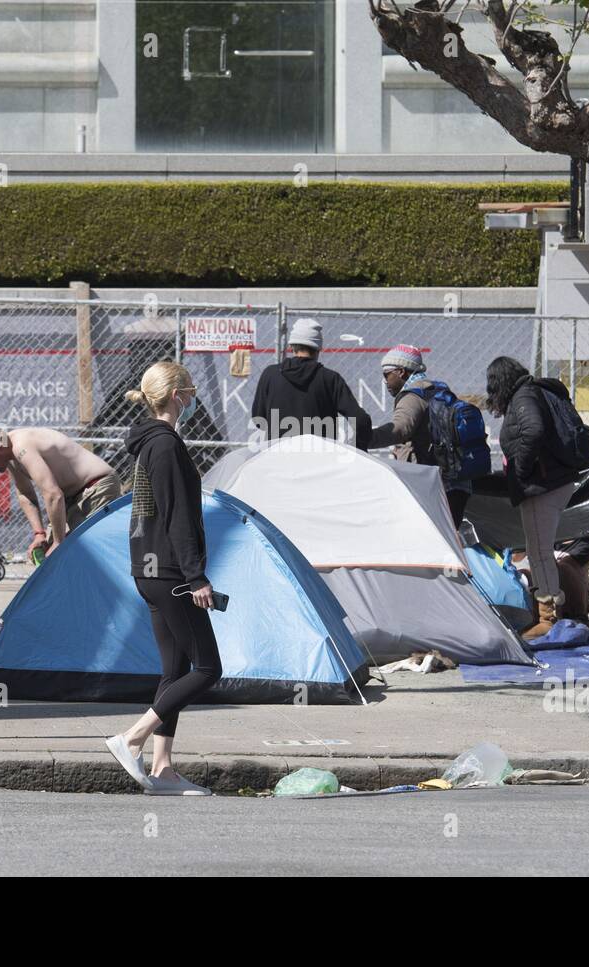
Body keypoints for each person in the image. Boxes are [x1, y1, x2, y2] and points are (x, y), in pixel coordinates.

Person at [104, 361, 223, 797]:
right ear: (177, 395)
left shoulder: (149, 443)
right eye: (190, 391)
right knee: (209, 668)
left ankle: (164, 770)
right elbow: (176, 517)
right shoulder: (166, 446)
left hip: (149, 569)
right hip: (171, 572)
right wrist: (197, 578)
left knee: (174, 670)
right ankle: (132, 739)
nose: (194, 398)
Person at [486, 356, 581, 640]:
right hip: (548, 483)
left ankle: (548, 619)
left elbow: (534, 430)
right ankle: (548, 614)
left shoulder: (524, 396)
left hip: (543, 485)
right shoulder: (530, 392)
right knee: (537, 548)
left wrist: (523, 471)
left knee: (539, 551)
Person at [0, 425, 120, 561]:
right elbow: (25, 494)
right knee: (49, 553)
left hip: (96, 486)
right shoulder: (10, 456)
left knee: (78, 551)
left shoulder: (22, 447)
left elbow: (53, 494)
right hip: (73, 497)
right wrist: (39, 534)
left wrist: (59, 542)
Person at [370, 344, 473, 527]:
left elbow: (400, 428)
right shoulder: (440, 391)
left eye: (387, 374)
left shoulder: (413, 396)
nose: (385, 381)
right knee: (447, 542)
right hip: (458, 483)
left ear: (401, 372)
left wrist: (364, 438)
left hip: (429, 485)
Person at [250, 317, 372, 448]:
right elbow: (360, 419)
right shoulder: (330, 379)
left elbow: (258, 419)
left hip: (279, 457)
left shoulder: (271, 374)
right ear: (318, 348)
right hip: (318, 460)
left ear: (291, 346)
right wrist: (360, 448)